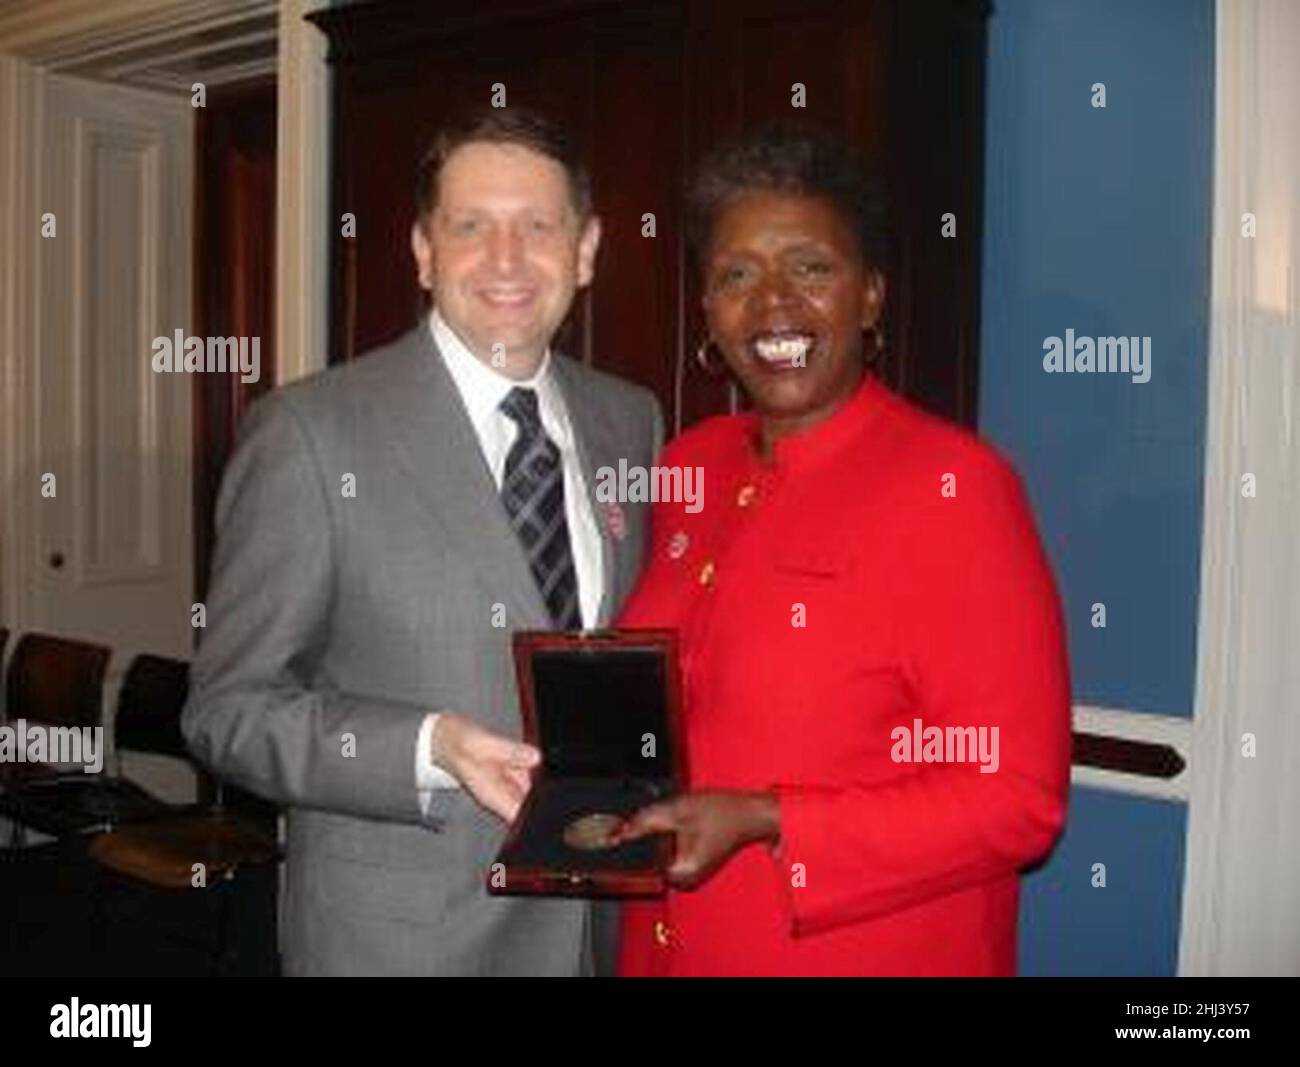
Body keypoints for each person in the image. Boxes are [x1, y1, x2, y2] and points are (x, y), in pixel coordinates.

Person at [183, 108, 661, 976]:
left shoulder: (629, 420)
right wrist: (427, 745)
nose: (507, 259)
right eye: (470, 226)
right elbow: (228, 712)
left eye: (538, 226)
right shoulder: (308, 434)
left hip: (592, 927)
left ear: (586, 250)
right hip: (399, 942)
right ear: (421, 250)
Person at [613, 123, 1071, 976]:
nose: (774, 301)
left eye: (812, 267)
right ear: (708, 312)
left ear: (869, 297)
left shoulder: (955, 486)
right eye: (736, 274)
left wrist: (768, 815)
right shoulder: (688, 465)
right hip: (672, 942)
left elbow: (1017, 799)